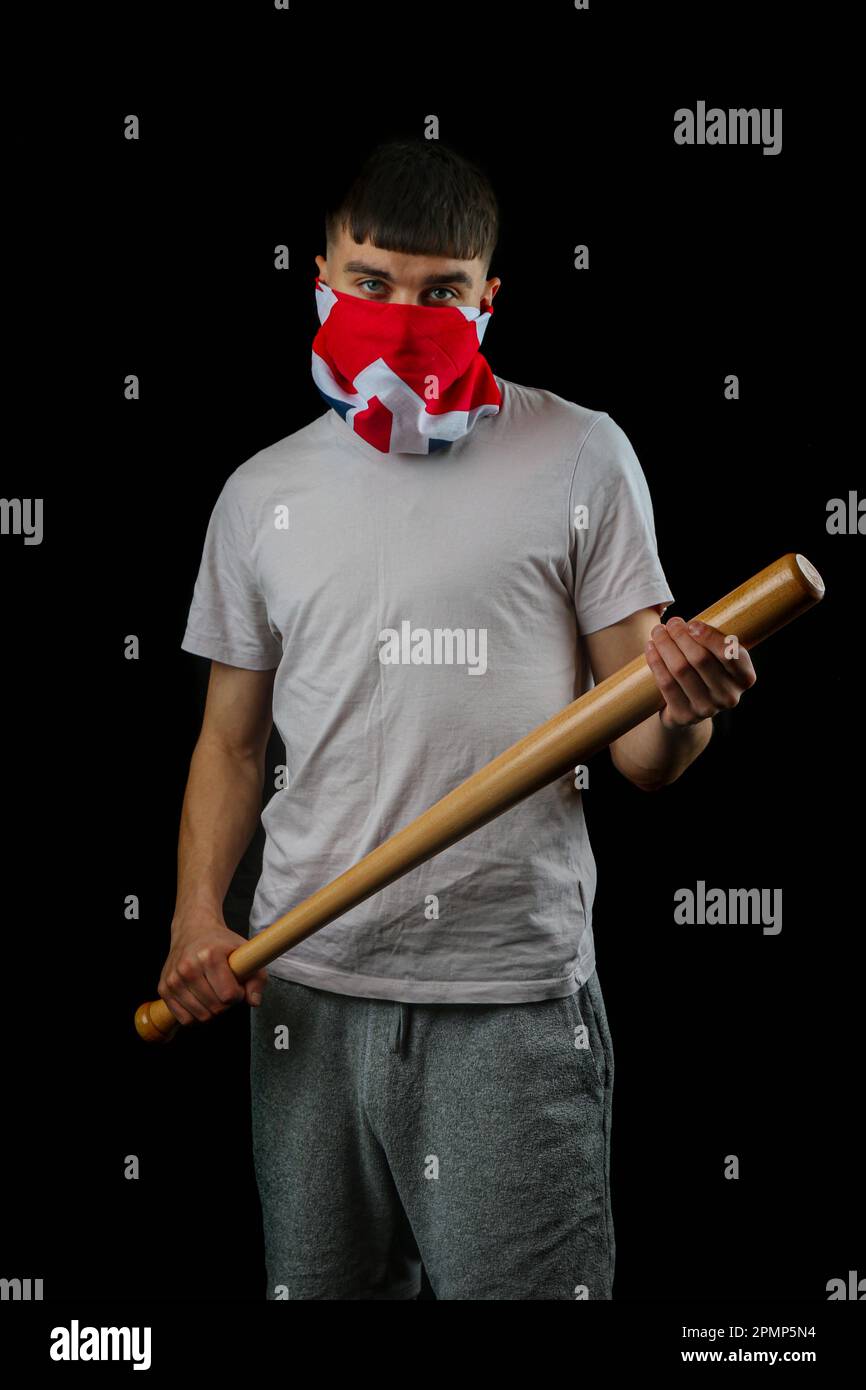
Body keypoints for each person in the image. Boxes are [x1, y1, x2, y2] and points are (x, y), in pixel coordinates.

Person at [158, 138, 757, 1300]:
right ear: (323, 276)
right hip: (304, 988)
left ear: (488, 297)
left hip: (508, 999)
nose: (401, 312)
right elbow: (229, 744)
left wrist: (685, 709)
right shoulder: (260, 494)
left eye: (439, 291)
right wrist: (194, 918)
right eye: (372, 281)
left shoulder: (582, 454)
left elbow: (642, 752)